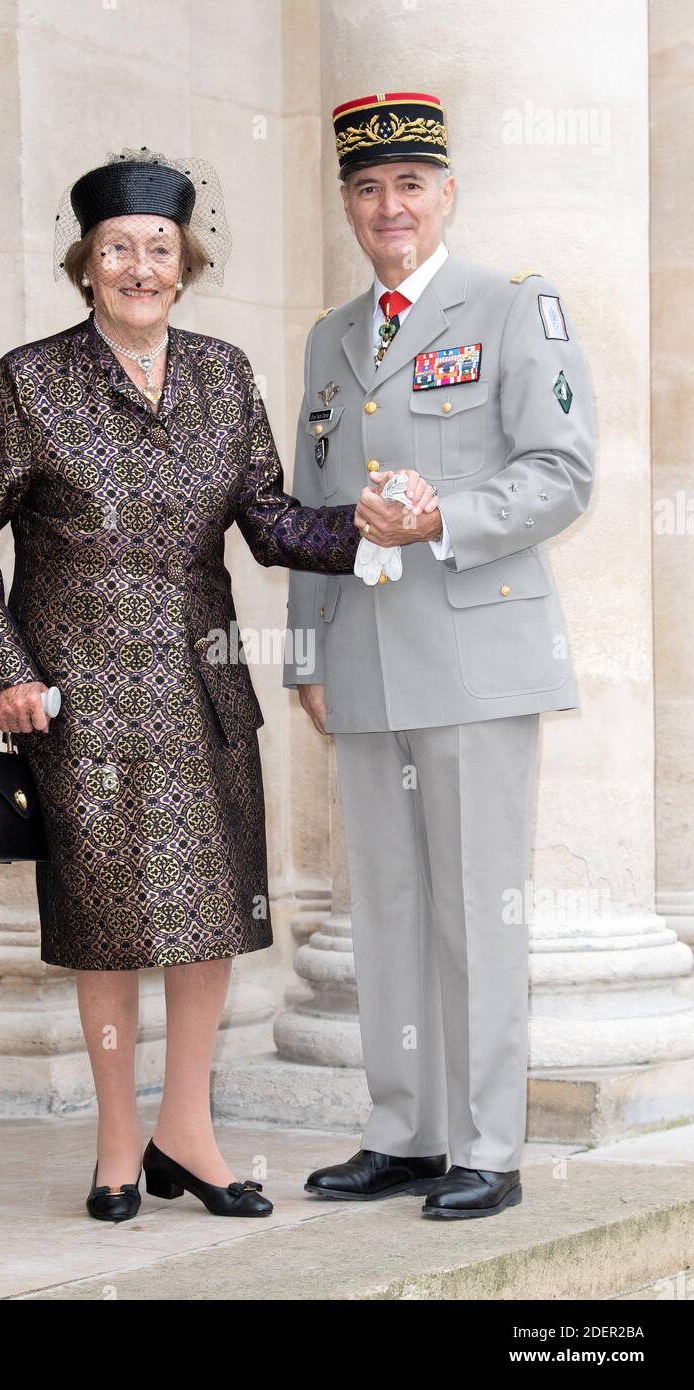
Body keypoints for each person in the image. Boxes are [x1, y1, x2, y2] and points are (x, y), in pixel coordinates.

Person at [0, 147, 429, 1223]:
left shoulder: (223, 373)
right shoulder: (30, 379)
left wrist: (369, 529)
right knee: (105, 921)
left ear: (186, 262)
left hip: (203, 685)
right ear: (86, 264)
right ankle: (115, 1146)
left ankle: (183, 1133)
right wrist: (4, 671)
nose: (140, 268)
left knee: (208, 920)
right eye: (117, 250)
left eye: (159, 249)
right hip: (79, 698)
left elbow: (271, 521)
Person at [284, 93, 596, 1218]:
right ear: (348, 206)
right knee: (389, 908)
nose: (388, 206)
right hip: (362, 659)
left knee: (474, 905)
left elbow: (561, 470)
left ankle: (485, 1145)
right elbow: (313, 507)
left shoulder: (512, 307)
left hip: (473, 651)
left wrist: (441, 519)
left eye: (408, 184)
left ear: (444, 192)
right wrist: (300, 654)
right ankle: (403, 1131)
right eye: (366, 189)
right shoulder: (328, 337)